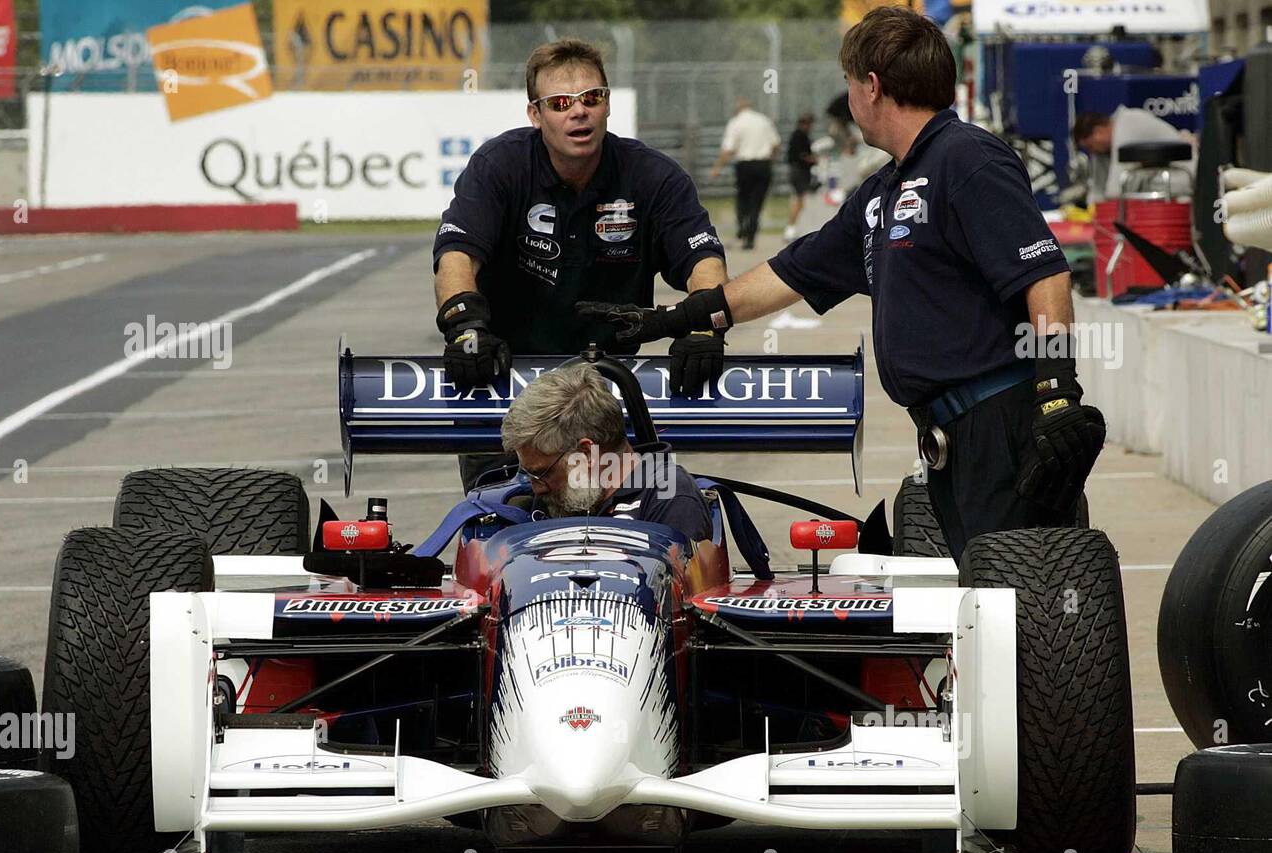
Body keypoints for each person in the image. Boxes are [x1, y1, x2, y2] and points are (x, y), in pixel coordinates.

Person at [578, 6, 1105, 562]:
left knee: (1018, 604)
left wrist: (1056, 389)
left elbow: (1043, 273)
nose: (849, 99)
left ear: (871, 87)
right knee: (979, 599)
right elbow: (789, 273)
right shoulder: (883, 189)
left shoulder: (967, 157)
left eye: (850, 84)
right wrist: (678, 318)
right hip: (949, 433)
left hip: (1005, 424)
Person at [433, 38, 730, 491]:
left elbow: (703, 258)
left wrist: (704, 327)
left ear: (607, 104)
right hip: (505, 388)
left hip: (610, 396)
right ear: (535, 114)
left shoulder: (654, 176)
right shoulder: (499, 166)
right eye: (560, 103)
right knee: (498, 528)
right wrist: (464, 326)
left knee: (626, 525)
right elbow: (457, 254)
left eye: (592, 98)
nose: (579, 112)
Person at [500, 365, 712, 543]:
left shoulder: (670, 496)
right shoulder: (534, 498)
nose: (537, 489)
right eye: (529, 474)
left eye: (543, 473)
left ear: (586, 453)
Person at [1073, 108, 1195, 203]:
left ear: (1099, 131)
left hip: (1182, 178)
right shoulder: (1103, 148)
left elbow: (1116, 190)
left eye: (1090, 146)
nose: (1091, 152)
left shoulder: (1128, 124)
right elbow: (1097, 190)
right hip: (1159, 183)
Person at [709, 98, 781, 249]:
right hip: (763, 164)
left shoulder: (736, 123)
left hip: (744, 165)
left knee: (743, 198)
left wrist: (717, 167)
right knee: (757, 201)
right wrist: (771, 159)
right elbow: (775, 144)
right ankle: (750, 236)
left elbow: (728, 149)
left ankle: (742, 224)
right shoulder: (764, 121)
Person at [784, 113, 818, 241]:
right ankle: (790, 228)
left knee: (800, 201)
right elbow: (801, 155)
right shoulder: (799, 136)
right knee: (799, 200)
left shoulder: (800, 135)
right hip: (799, 171)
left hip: (799, 171)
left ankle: (793, 228)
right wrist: (813, 160)